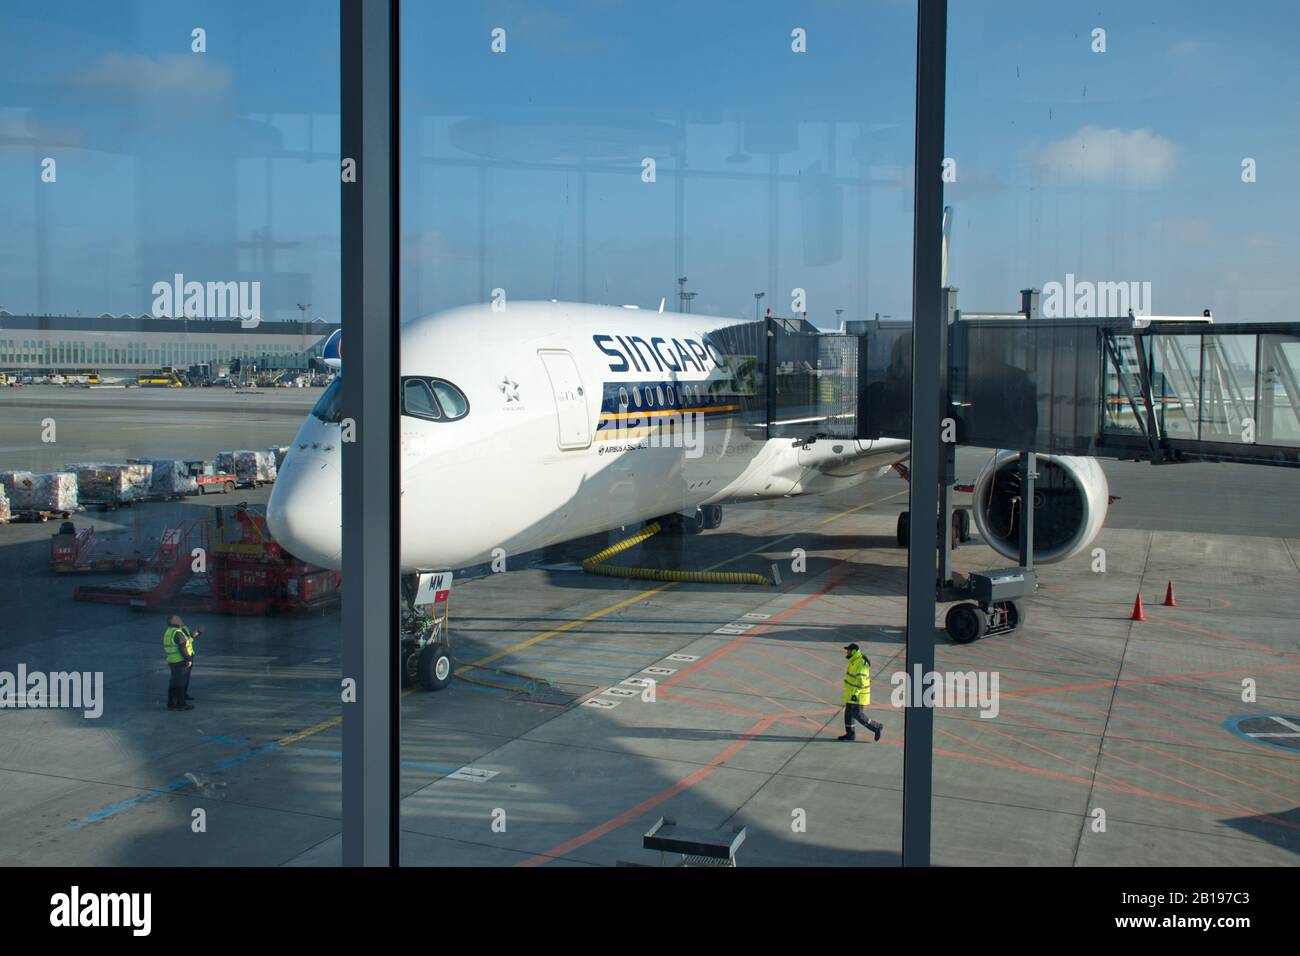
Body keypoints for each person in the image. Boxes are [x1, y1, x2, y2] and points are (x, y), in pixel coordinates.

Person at [838, 643, 882, 742]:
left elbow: (861, 682)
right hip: (851, 693)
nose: (847, 652)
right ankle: (850, 734)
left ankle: (876, 727)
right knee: (848, 713)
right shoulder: (854, 661)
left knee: (858, 714)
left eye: (848, 650)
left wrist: (855, 694)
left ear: (853, 652)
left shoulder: (860, 663)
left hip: (858, 695)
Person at [163, 615, 202, 711]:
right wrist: (188, 660)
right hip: (180, 661)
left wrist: (198, 632)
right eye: (176, 618)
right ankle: (181, 704)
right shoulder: (177, 633)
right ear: (172, 622)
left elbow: (188, 640)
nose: (180, 619)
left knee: (174, 682)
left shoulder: (169, 632)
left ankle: (171, 704)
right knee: (180, 683)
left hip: (173, 660)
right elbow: (182, 647)